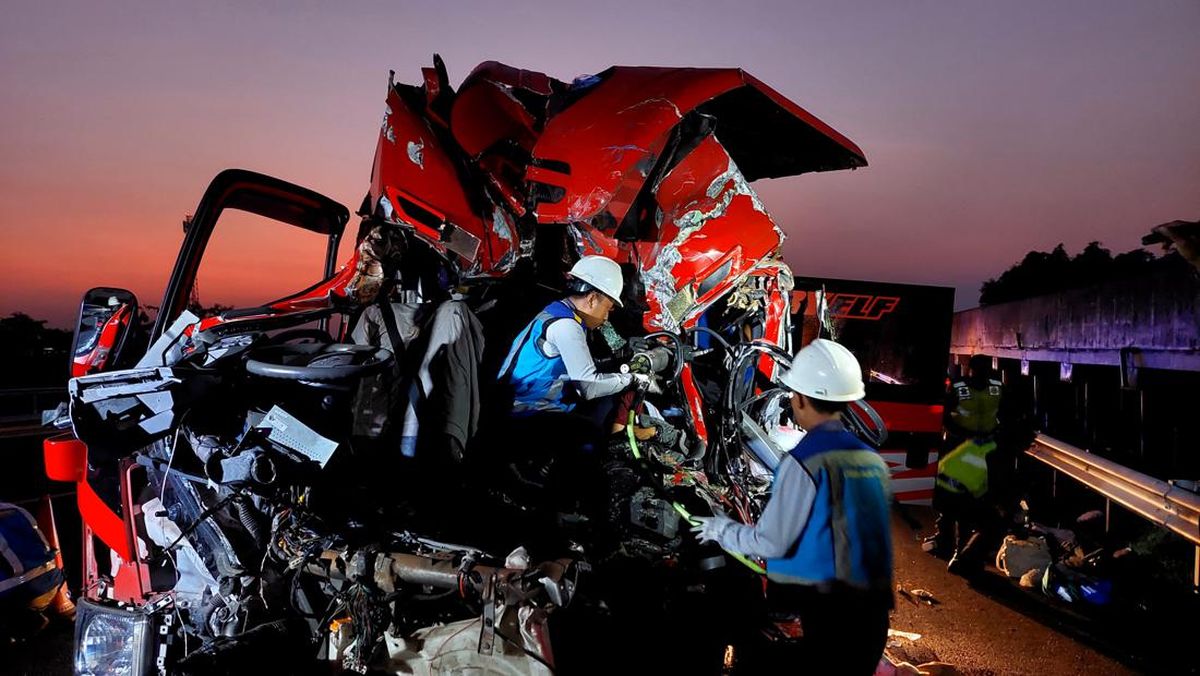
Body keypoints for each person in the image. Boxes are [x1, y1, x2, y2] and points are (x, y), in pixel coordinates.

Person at [691, 339, 893, 676]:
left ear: (799, 398)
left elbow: (771, 542)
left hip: (832, 623)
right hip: (872, 617)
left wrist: (720, 530)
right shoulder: (870, 458)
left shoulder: (803, 461)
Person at [497, 255, 657, 457]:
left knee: (603, 407)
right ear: (592, 299)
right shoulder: (566, 326)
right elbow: (588, 386)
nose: (606, 317)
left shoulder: (559, 310)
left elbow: (585, 363)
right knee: (593, 438)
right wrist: (632, 379)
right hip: (525, 412)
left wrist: (622, 354)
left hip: (530, 406)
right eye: (607, 309)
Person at [923, 354, 1006, 575]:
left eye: (985, 369)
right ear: (970, 370)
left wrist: (996, 433)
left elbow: (1006, 412)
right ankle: (950, 542)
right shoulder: (958, 388)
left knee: (973, 500)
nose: (982, 374)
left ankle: (962, 549)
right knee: (953, 499)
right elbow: (945, 417)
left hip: (985, 449)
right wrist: (963, 434)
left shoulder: (997, 388)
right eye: (979, 370)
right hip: (959, 449)